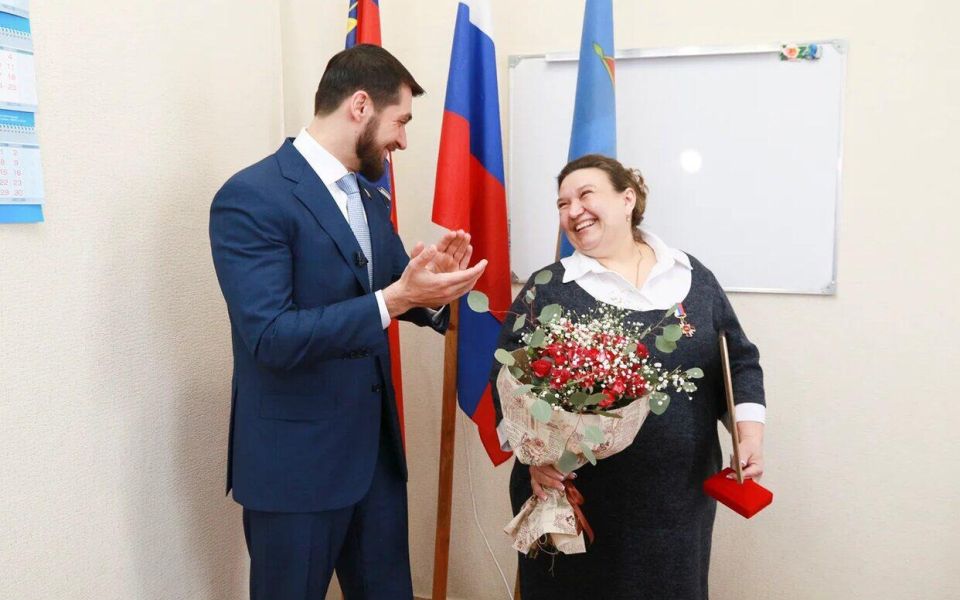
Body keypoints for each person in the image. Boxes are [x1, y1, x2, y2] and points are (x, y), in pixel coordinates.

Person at [209, 44, 486, 600]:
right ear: (360, 106)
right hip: (295, 470)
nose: (402, 141)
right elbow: (272, 337)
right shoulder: (250, 198)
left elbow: (391, 286)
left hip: (374, 462)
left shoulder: (367, 196)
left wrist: (433, 285)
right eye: (401, 121)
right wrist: (396, 298)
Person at [492, 154, 766, 599]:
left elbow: (738, 360)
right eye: (562, 203)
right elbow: (505, 382)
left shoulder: (693, 277)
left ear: (627, 199)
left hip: (676, 505)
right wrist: (533, 457)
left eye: (585, 195)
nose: (573, 211)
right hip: (577, 503)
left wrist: (747, 434)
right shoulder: (548, 288)